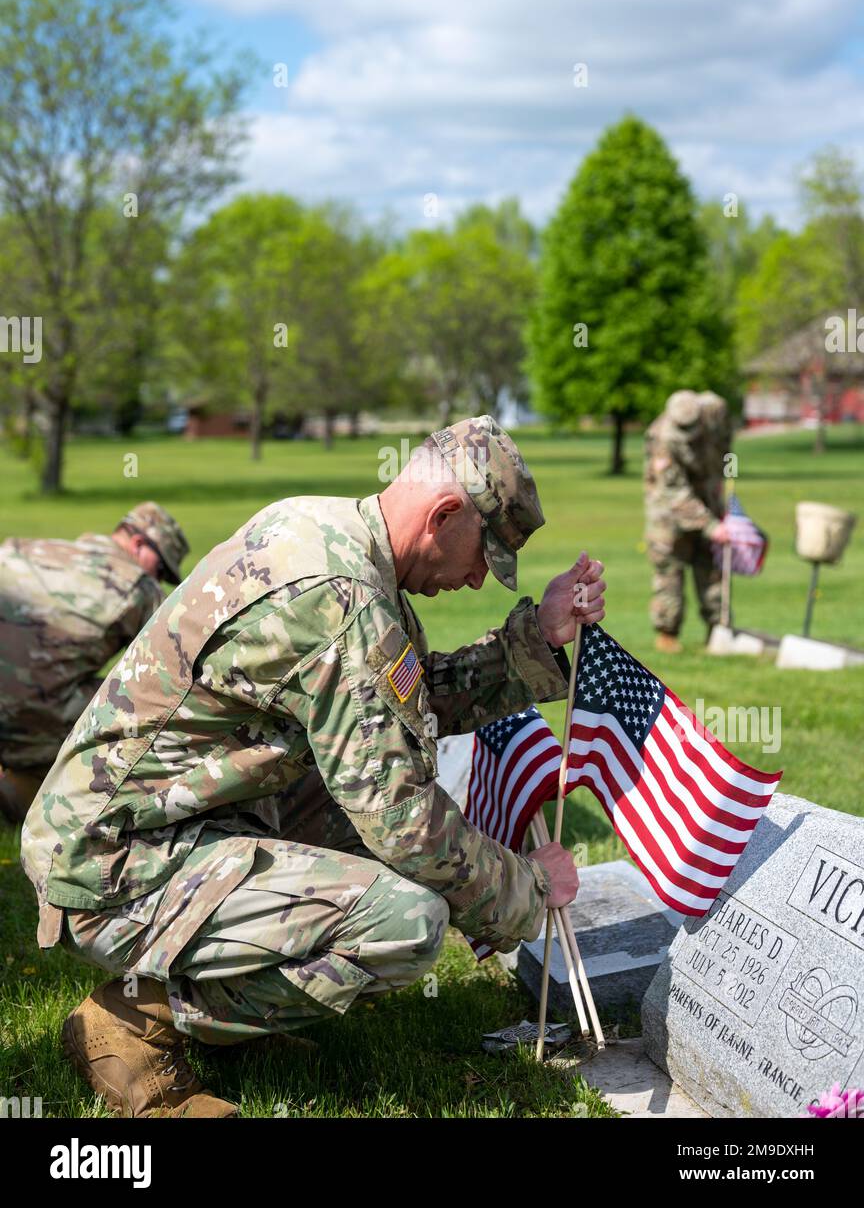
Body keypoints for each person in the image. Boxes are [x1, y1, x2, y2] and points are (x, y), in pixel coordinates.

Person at [21, 416, 606, 1119]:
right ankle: (133, 1021)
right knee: (406, 918)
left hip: (160, 819)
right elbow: (407, 825)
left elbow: (403, 709)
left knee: (368, 842)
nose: (479, 579)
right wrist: (530, 886)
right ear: (445, 515)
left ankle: (235, 1008)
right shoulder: (344, 600)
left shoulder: (331, 534)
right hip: (114, 860)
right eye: (484, 556)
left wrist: (535, 639)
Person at [0, 503, 189, 822]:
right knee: (134, 698)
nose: (160, 579)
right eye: (161, 568)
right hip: (29, 718)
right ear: (139, 544)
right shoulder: (140, 587)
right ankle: (33, 799)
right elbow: (173, 666)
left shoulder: (25, 548)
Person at [643, 390, 729, 652]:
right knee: (670, 573)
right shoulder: (662, 439)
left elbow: (724, 444)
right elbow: (675, 492)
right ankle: (667, 633)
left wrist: (718, 495)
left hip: (709, 504)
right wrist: (712, 526)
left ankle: (719, 630)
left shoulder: (715, 411)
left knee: (712, 569)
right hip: (668, 517)